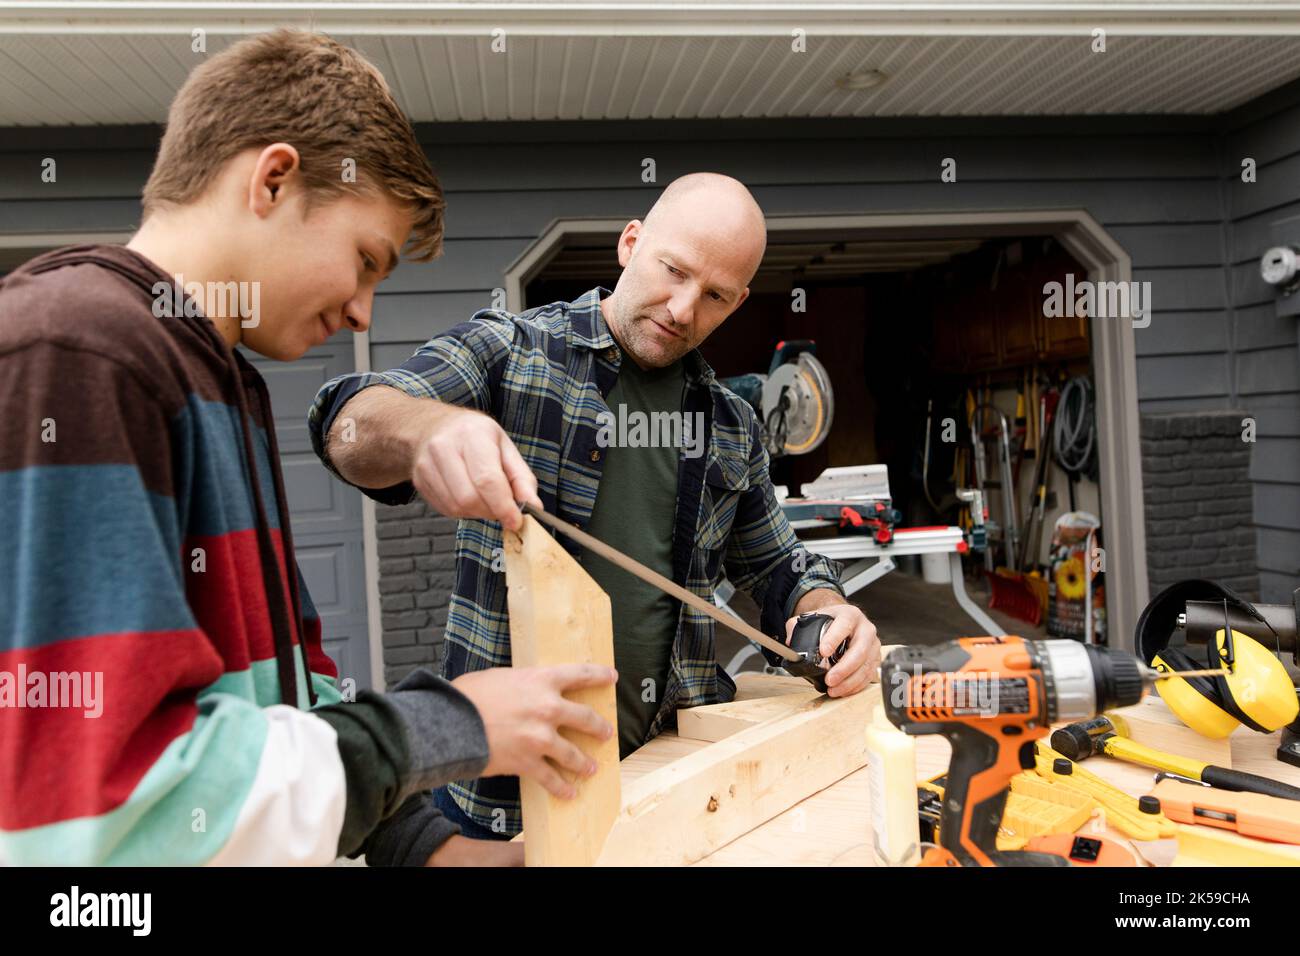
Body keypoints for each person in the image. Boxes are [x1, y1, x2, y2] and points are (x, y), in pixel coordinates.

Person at [0, 29, 614, 867]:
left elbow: (290, 702)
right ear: (274, 178)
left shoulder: (221, 381)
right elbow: (99, 813)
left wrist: (446, 855)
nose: (363, 311)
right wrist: (450, 726)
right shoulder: (80, 353)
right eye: (365, 260)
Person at [309, 172, 883, 841]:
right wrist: (426, 430)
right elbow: (347, 421)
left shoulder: (730, 421)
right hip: (508, 801)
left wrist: (829, 613)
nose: (683, 307)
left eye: (716, 296)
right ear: (631, 243)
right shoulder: (511, 354)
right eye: (674, 271)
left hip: (675, 779)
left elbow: (779, 567)